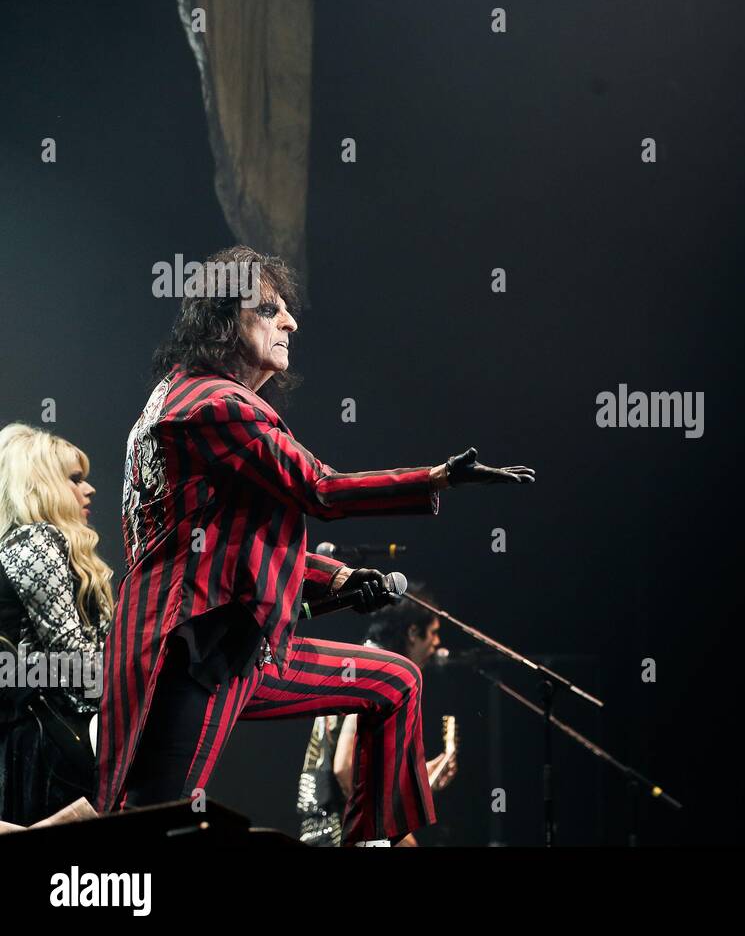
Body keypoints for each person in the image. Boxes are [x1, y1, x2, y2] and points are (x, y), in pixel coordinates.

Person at [96, 245, 534, 845]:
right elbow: (322, 489)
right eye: (270, 309)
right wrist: (434, 478)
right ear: (225, 321)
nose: (290, 322)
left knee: (393, 682)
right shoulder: (216, 404)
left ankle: (371, 842)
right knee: (153, 825)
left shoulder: (184, 398)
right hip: (192, 651)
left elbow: (230, 542)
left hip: (236, 646)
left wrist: (333, 579)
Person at [0, 423, 113, 825]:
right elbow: (77, 661)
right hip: (47, 748)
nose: (89, 490)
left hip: (39, 743)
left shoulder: (26, 544)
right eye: (75, 479)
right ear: (39, 484)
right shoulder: (36, 540)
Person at [298, 585, 457, 846]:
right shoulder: (377, 669)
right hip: (339, 834)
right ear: (413, 632)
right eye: (434, 633)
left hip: (324, 828)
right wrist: (387, 835)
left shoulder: (365, 662)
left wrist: (419, 779)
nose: (437, 643)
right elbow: (346, 767)